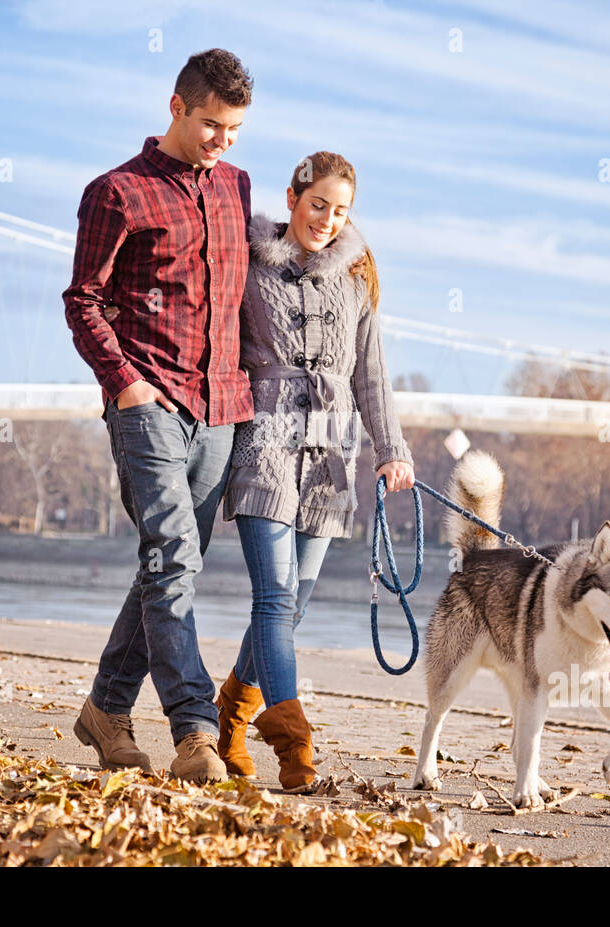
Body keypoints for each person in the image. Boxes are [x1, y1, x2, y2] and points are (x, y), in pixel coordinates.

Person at [61, 49, 255, 784]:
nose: (221, 141)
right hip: (149, 403)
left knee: (168, 567)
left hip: (224, 409)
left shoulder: (237, 187)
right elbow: (83, 299)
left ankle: (106, 710)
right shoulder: (116, 192)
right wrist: (124, 383)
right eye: (211, 124)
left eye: (233, 129)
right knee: (173, 557)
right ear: (176, 107)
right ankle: (196, 731)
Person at [217, 151, 416, 793]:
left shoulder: (357, 280)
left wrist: (392, 449)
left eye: (341, 211)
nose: (327, 220)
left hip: (331, 457)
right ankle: (294, 749)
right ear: (293, 198)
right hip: (264, 448)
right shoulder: (249, 263)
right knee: (273, 598)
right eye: (317, 205)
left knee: (294, 603)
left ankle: (230, 717)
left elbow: (371, 376)